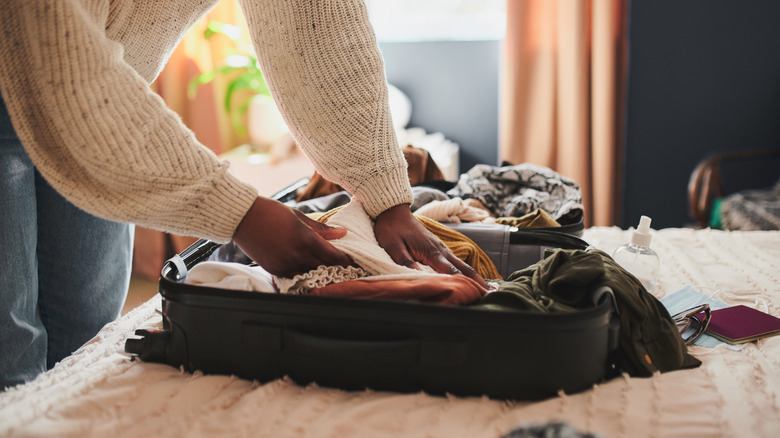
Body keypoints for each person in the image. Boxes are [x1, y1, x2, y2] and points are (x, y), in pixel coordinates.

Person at [0, 0, 486, 389]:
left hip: (110, 98)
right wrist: (239, 213)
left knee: (82, 347)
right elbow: (53, 59)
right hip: (39, 71)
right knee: (11, 357)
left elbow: (318, 30)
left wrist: (386, 196)